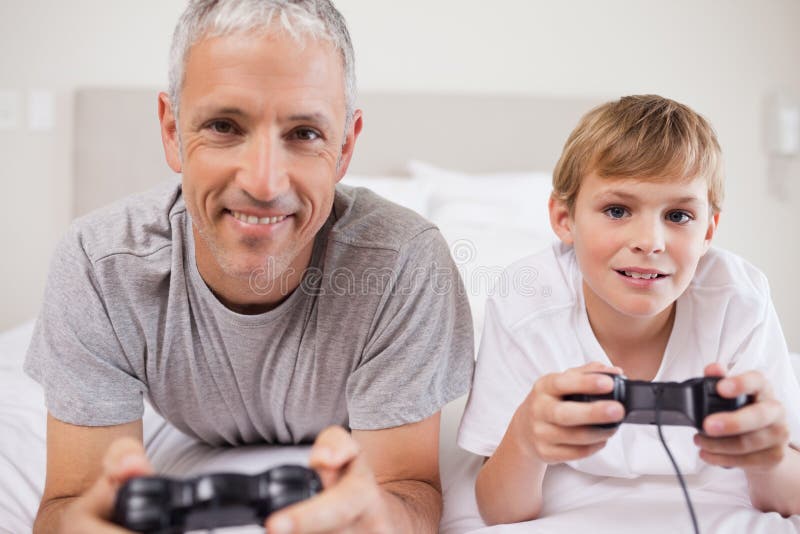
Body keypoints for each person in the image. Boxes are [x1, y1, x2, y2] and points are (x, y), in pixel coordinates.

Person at [23, 1, 474, 532]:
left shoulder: (404, 263)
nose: (263, 183)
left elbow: (406, 487)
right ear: (171, 130)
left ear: (345, 146)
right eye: (223, 126)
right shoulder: (100, 267)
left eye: (304, 133)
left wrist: (380, 520)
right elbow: (71, 501)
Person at [457, 95, 800, 528]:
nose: (649, 241)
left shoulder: (738, 300)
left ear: (709, 231)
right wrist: (525, 440)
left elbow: (786, 497)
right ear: (564, 219)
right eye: (617, 210)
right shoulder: (525, 305)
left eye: (678, 215)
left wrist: (767, 457)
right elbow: (501, 512)